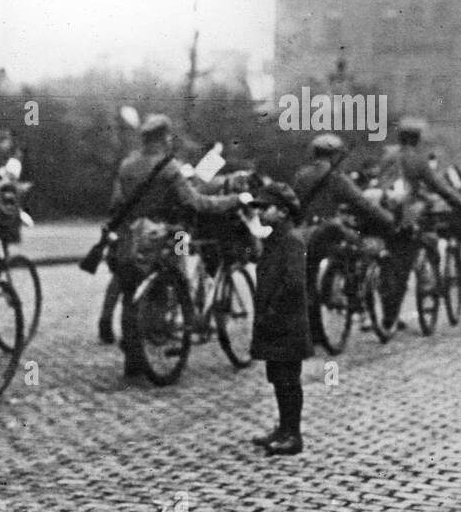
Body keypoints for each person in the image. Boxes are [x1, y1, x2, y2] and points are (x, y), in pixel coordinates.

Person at [98, 115, 248, 377]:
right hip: (168, 235)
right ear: (164, 138)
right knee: (179, 273)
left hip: (132, 238)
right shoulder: (170, 167)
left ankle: (133, 361)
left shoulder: (126, 166)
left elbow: (116, 203)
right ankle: (181, 320)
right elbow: (196, 203)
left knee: (130, 292)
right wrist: (233, 200)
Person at [292, 133, 394, 346]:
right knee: (361, 249)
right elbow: (363, 204)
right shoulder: (336, 178)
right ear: (336, 155)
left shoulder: (301, 175)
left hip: (304, 235)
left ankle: (314, 333)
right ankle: (355, 294)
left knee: (309, 282)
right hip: (328, 234)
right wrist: (388, 219)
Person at [375, 119, 461, 331]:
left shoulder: (387, 156)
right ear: (417, 139)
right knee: (404, 268)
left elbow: (389, 184)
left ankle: (387, 313)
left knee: (388, 265)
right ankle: (392, 317)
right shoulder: (418, 160)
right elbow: (440, 187)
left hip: (383, 214)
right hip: (406, 217)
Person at [248, 182, 312, 456]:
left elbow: (294, 284)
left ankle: (293, 434)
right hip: (275, 322)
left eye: (266, 208)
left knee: (288, 379)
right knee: (277, 377)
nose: (261, 213)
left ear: (284, 212)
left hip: (287, 324)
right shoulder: (275, 238)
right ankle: (283, 428)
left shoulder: (292, 241)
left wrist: (273, 311)